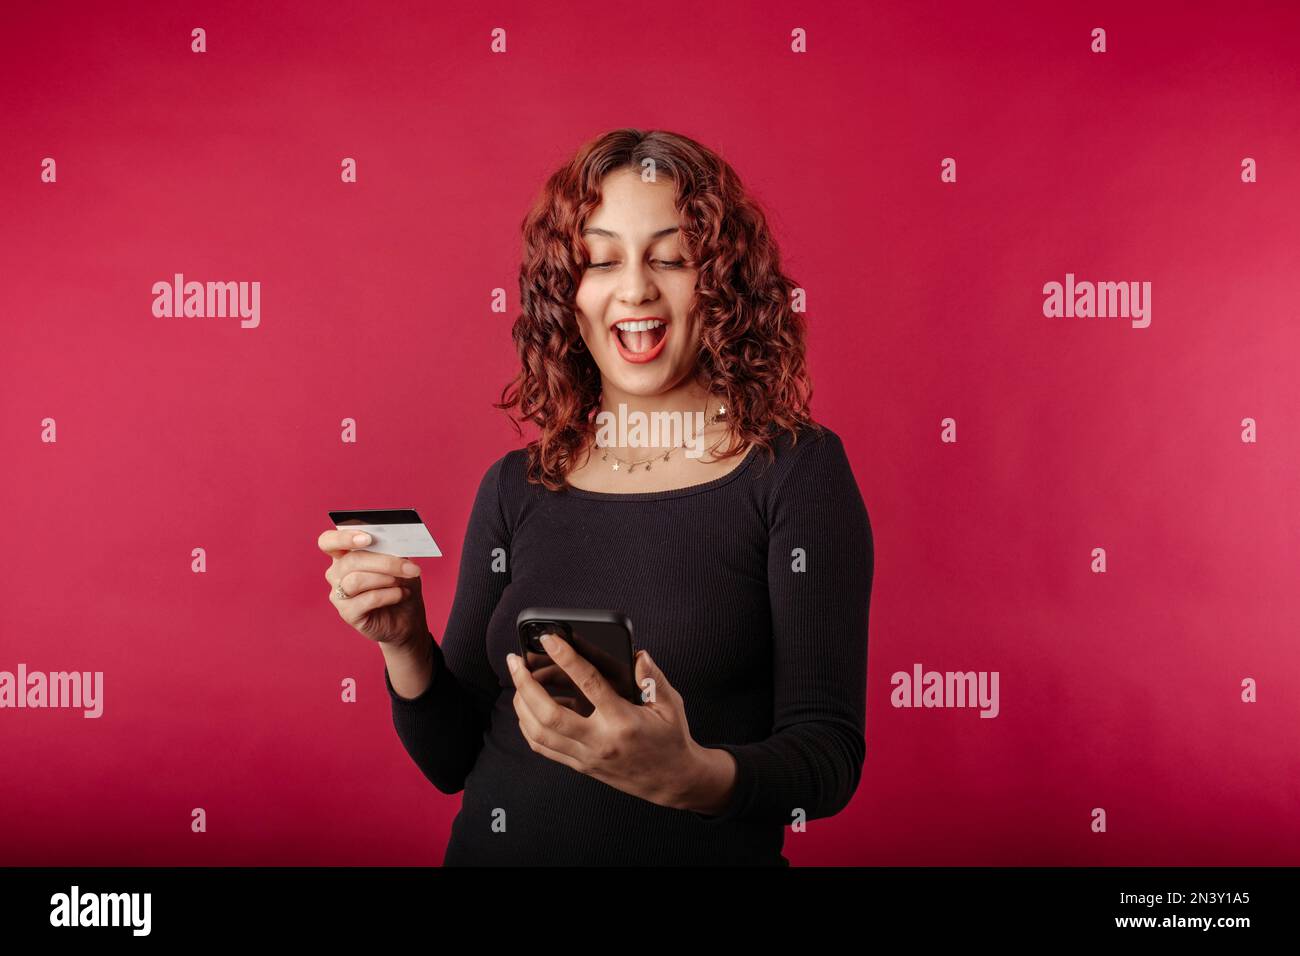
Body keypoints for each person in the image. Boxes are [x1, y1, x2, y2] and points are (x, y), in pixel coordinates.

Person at [317, 128, 874, 865]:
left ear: (722, 285)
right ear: (567, 295)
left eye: (672, 258)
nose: (636, 288)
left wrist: (689, 776)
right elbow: (450, 761)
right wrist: (404, 643)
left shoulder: (796, 473)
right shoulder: (517, 486)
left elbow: (826, 755)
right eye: (602, 259)